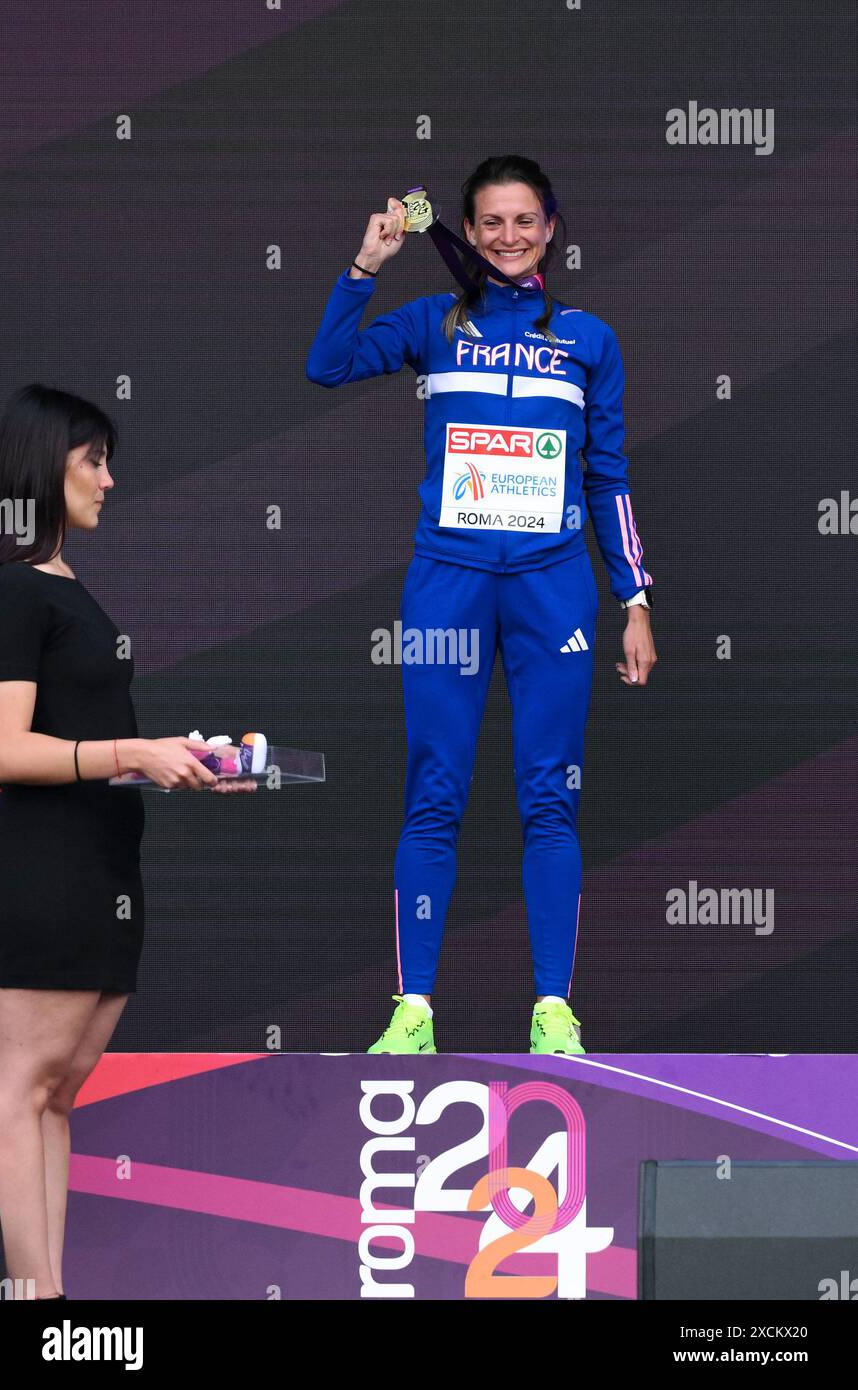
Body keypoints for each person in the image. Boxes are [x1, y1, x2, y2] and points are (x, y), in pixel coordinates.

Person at [306, 156, 656, 1055]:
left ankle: (552, 1009)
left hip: (553, 590)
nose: (508, 237)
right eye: (490, 222)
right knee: (434, 792)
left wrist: (636, 597)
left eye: (525, 221)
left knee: (550, 798)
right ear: (466, 230)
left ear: (550, 229)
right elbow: (328, 364)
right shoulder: (435, 321)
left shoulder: (589, 339)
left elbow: (608, 476)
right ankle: (413, 1009)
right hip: (446, 588)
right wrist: (367, 263)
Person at [0, 384, 255, 1300]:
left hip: (104, 862)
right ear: (43, 469)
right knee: (21, 1091)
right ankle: (38, 1301)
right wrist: (128, 752)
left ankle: (47, 1298)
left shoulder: (63, 586)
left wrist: (172, 759)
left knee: (56, 1096)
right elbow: (2, 747)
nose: (110, 479)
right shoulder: (15, 589)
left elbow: (84, 733)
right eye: (92, 461)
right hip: (44, 868)